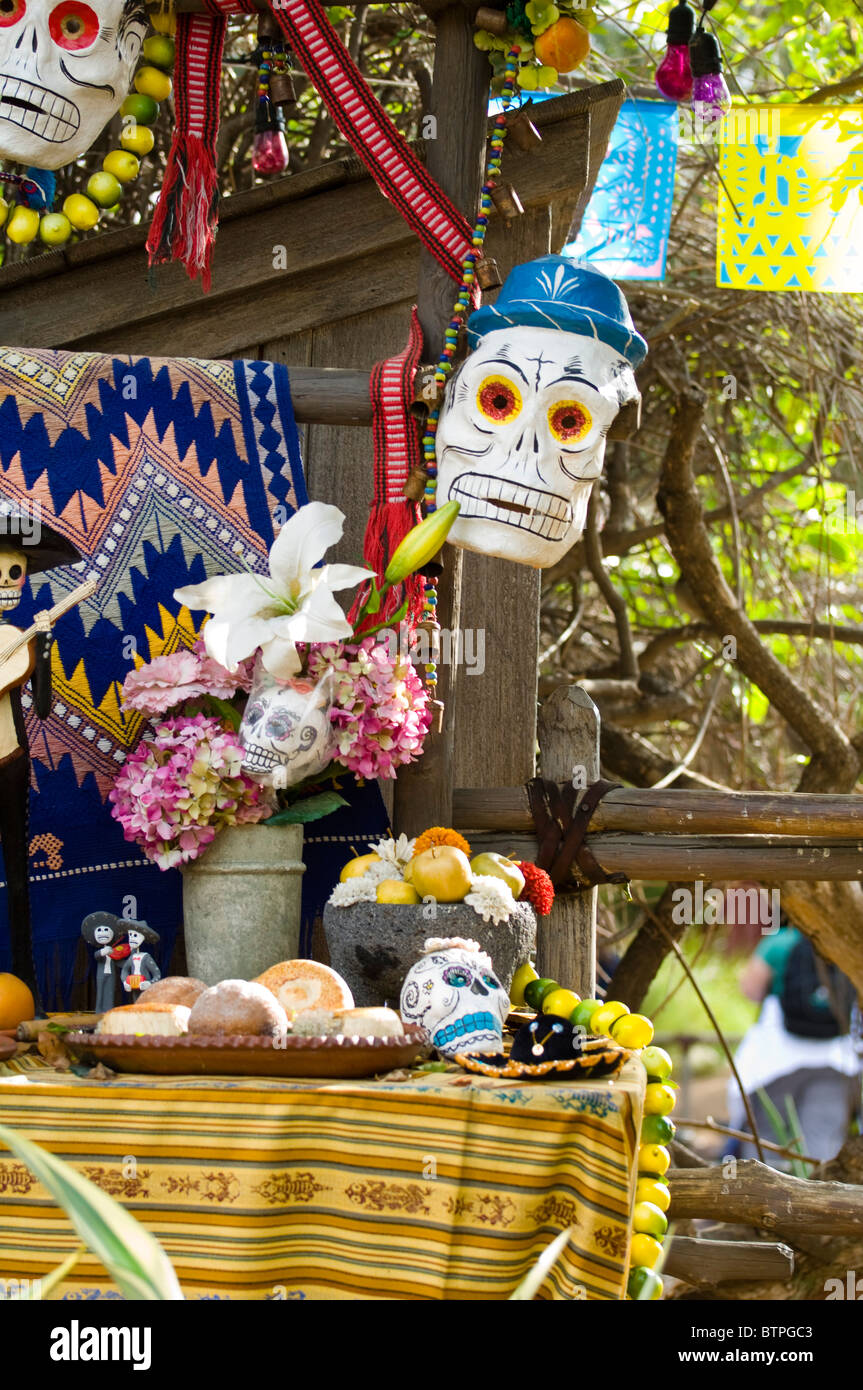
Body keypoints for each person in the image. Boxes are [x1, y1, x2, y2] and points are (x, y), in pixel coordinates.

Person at [728, 918, 861, 1166]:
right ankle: (818, 1202)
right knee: (822, 1144)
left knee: (764, 1142)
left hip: (776, 1061)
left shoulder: (780, 942)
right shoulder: (848, 944)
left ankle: (759, 1202)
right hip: (836, 1061)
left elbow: (751, 989)